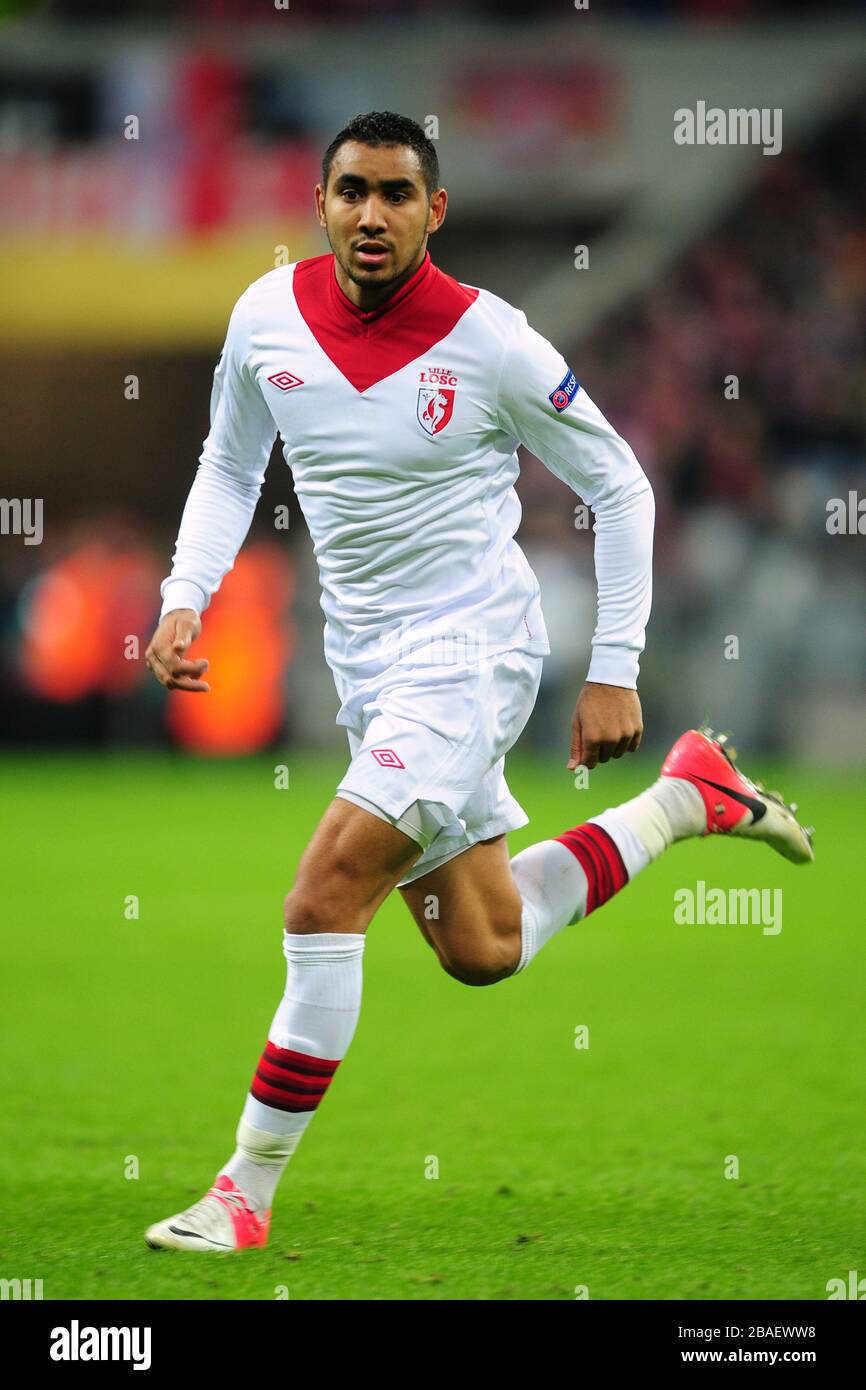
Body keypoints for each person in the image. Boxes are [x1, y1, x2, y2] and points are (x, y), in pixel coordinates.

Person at [143, 112, 812, 1252]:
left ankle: (241, 1195)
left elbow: (623, 486)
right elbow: (228, 461)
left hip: (469, 655)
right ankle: (684, 797)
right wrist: (181, 593)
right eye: (350, 189)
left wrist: (613, 668)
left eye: (395, 195)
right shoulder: (264, 319)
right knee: (482, 946)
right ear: (320, 203)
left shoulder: (488, 340)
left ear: (432, 212)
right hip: (368, 670)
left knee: (321, 900)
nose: (370, 212)